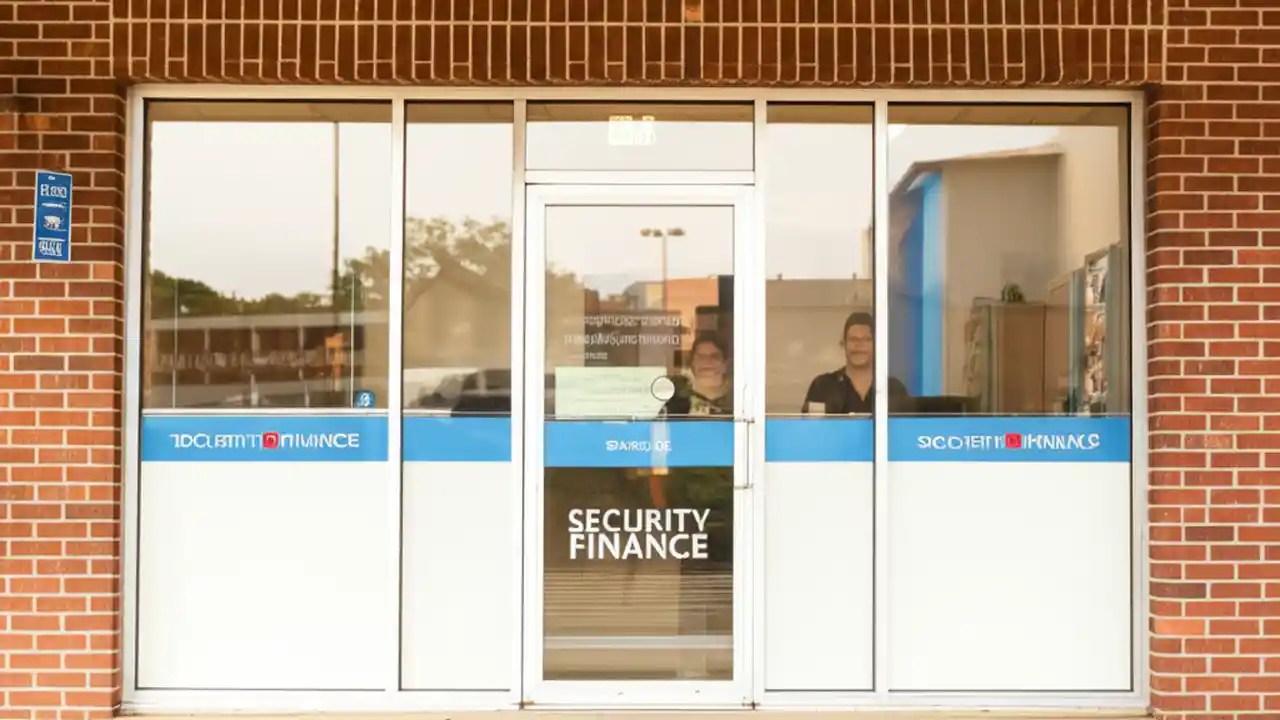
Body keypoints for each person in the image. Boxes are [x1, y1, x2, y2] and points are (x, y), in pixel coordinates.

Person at [802, 311, 907, 415]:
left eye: (866, 339)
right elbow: (809, 424)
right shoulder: (823, 386)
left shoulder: (893, 389)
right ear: (844, 344)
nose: (859, 345)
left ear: (877, 345)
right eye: (853, 339)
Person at [663, 331, 733, 417]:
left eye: (714, 357)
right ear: (692, 363)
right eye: (701, 357)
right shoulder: (676, 400)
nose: (707, 362)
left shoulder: (738, 398)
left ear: (725, 363)